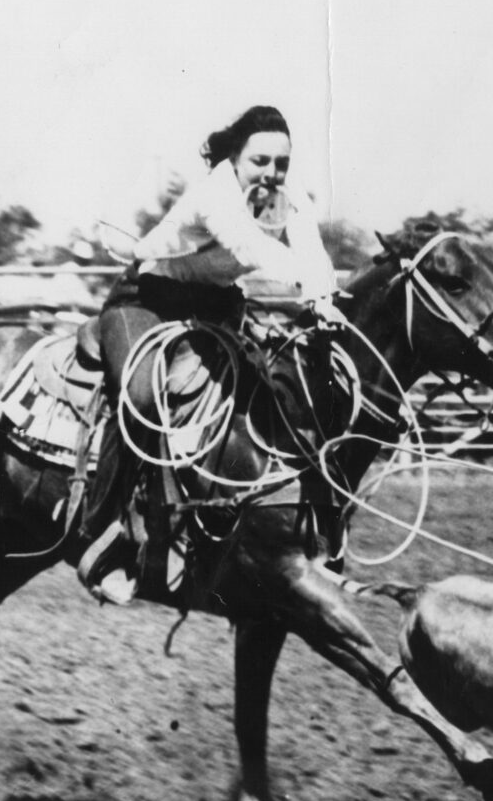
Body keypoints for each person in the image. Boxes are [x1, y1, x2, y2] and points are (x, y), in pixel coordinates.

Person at [79, 104, 342, 604]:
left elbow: (310, 249)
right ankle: (103, 534)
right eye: (260, 161)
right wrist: (310, 288)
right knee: (141, 396)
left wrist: (326, 295)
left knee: (264, 387)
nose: (271, 173)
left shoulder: (288, 197)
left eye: (281, 163)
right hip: (147, 299)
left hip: (217, 305)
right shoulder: (213, 197)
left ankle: (220, 525)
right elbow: (249, 249)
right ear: (235, 159)